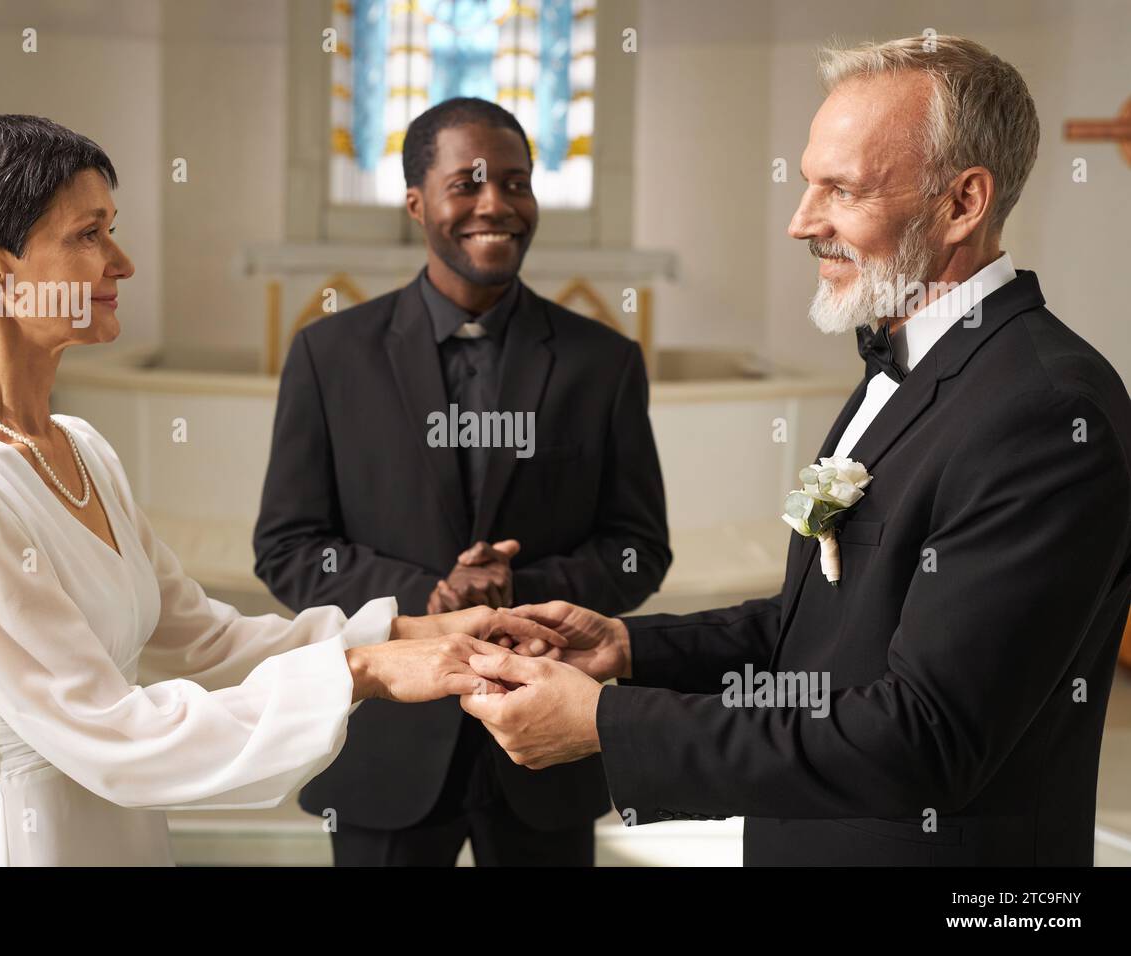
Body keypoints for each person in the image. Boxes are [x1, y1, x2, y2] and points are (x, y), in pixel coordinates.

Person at [460, 36, 1131, 866]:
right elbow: (829, 628)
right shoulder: (910, 359)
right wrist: (628, 651)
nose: (800, 221)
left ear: (963, 203)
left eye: (840, 190)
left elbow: (927, 736)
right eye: (809, 182)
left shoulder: (1044, 412)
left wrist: (606, 724)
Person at [0, 115, 556, 866]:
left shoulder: (81, 450)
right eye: (88, 235)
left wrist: (412, 636)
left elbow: (206, 642)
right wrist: (362, 673)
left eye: (112, 230)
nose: (121, 263)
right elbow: (111, 733)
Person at [254, 98, 670, 866]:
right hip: (387, 748)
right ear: (417, 201)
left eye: (516, 184)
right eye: (468, 184)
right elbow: (288, 548)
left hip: (548, 743)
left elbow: (639, 550)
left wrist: (523, 591)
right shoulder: (330, 355)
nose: (496, 206)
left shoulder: (602, 362)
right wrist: (429, 599)